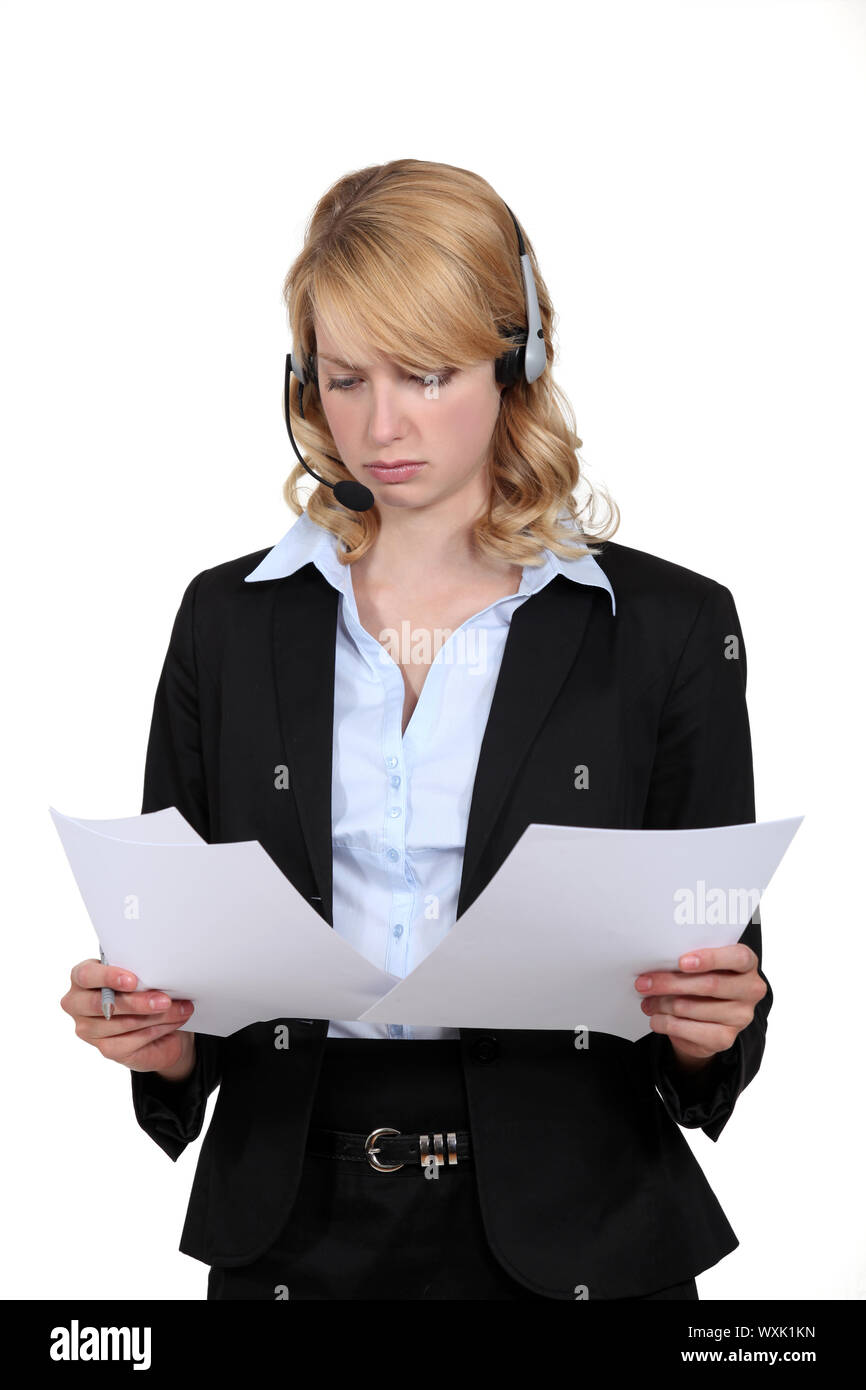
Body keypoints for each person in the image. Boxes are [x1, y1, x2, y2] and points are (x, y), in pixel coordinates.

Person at [60, 158, 771, 1301]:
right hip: (288, 1230)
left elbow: (721, 1002)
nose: (378, 425)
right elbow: (177, 948)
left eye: (426, 374)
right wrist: (154, 1030)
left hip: (576, 1231)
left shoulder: (668, 628)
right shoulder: (223, 622)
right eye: (343, 379)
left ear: (517, 360)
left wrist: (705, 1022)